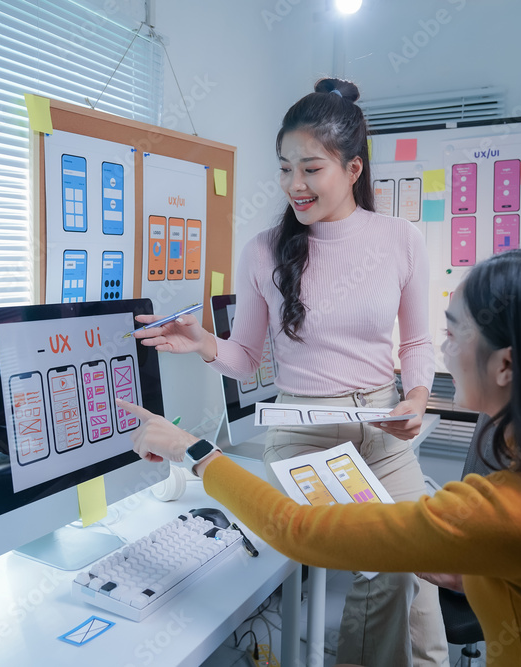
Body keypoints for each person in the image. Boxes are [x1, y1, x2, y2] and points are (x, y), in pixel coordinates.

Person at [119, 249, 521, 666]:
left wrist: (192, 451)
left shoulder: (509, 506)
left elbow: (296, 529)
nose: (440, 346)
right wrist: (474, 569)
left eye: (454, 332)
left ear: (506, 365)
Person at [132, 78, 446, 666]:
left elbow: (419, 341)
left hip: (384, 429)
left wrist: (419, 396)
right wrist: (206, 344)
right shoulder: (263, 250)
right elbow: (245, 359)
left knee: (421, 575)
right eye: (284, 169)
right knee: (388, 568)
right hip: (305, 435)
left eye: (310, 169)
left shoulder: (401, 239)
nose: (293, 185)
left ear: (353, 169)